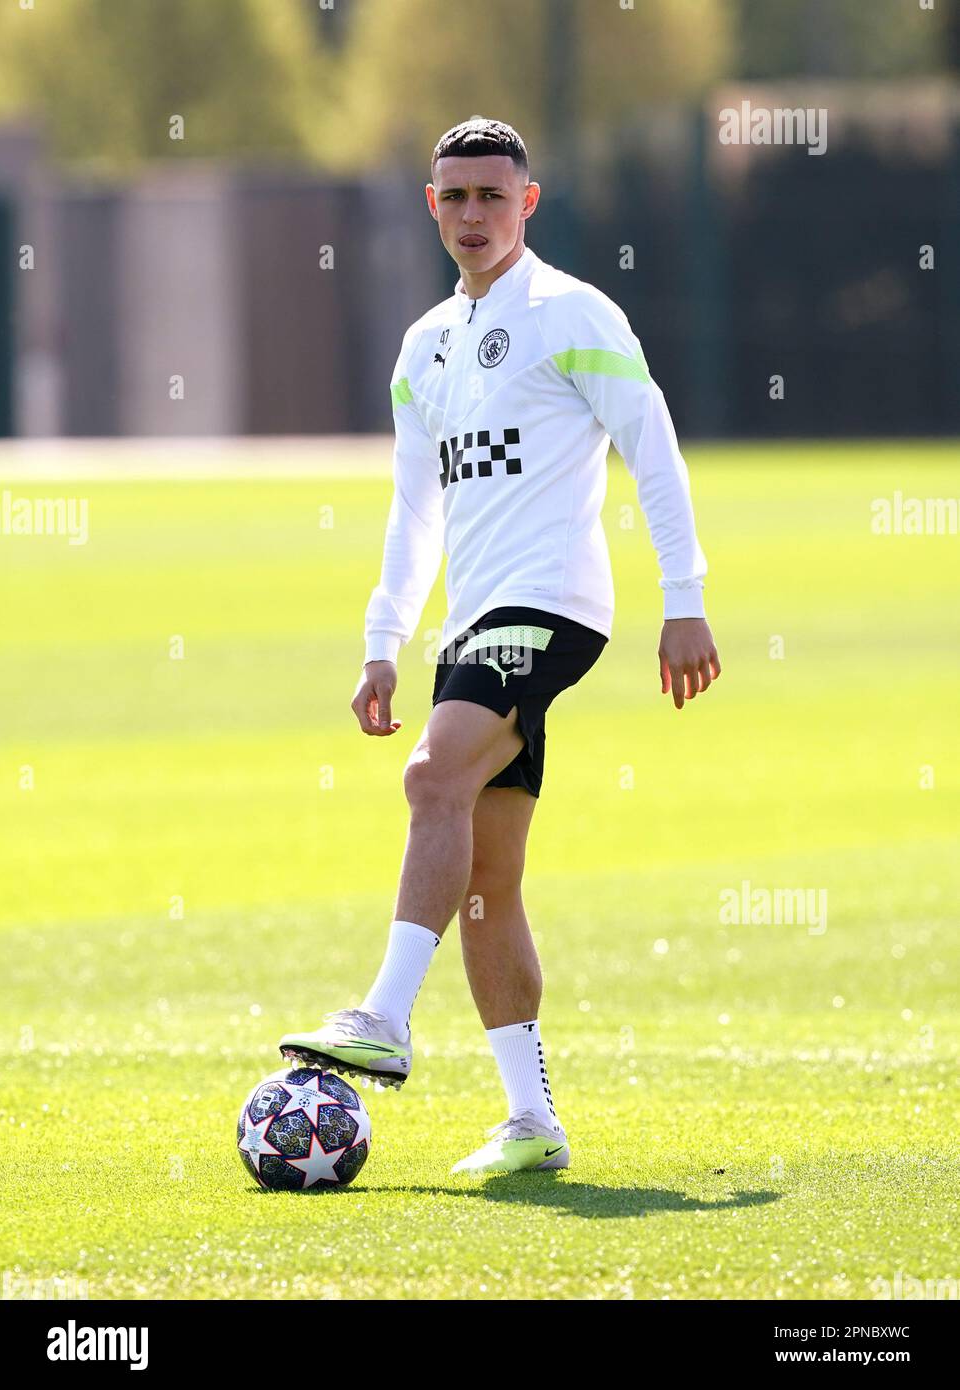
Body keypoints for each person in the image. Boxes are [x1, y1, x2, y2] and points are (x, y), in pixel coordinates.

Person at [279, 115, 721, 1175]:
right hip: (472, 621)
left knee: (430, 775)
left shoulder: (574, 313)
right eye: (455, 196)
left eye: (493, 195)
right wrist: (384, 638)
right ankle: (532, 1121)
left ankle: (384, 1017)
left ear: (528, 202)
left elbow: (652, 448)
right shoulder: (422, 346)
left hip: (552, 605)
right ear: (431, 204)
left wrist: (685, 597)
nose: (473, 213)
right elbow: (414, 510)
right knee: (487, 879)